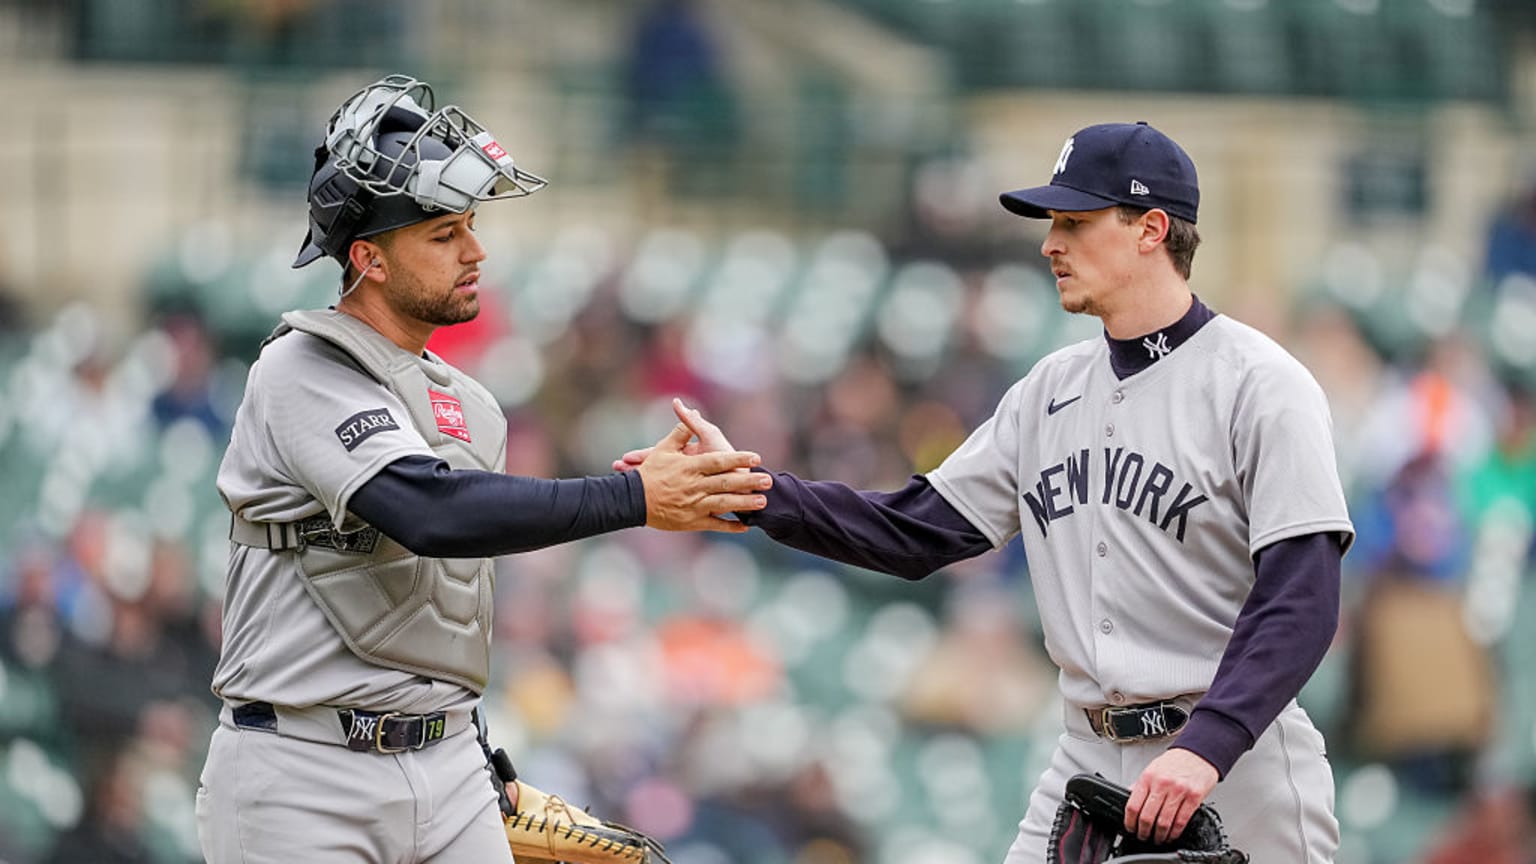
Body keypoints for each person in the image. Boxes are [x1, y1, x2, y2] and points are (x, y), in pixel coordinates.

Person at [621, 122, 1354, 861]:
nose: (1049, 243)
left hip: (1238, 758)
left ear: (1151, 230)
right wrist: (751, 490)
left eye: (1074, 221)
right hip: (1089, 754)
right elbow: (915, 531)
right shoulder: (1050, 391)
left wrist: (1212, 742)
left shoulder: (1261, 385)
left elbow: (1303, 597)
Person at [194, 74, 772, 864]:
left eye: (469, 225)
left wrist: (475, 751)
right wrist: (637, 497)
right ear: (369, 257)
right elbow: (432, 515)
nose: (476, 250)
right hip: (303, 773)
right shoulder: (300, 370)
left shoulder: (469, 404)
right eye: (442, 234)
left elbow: (439, 606)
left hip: (450, 770)